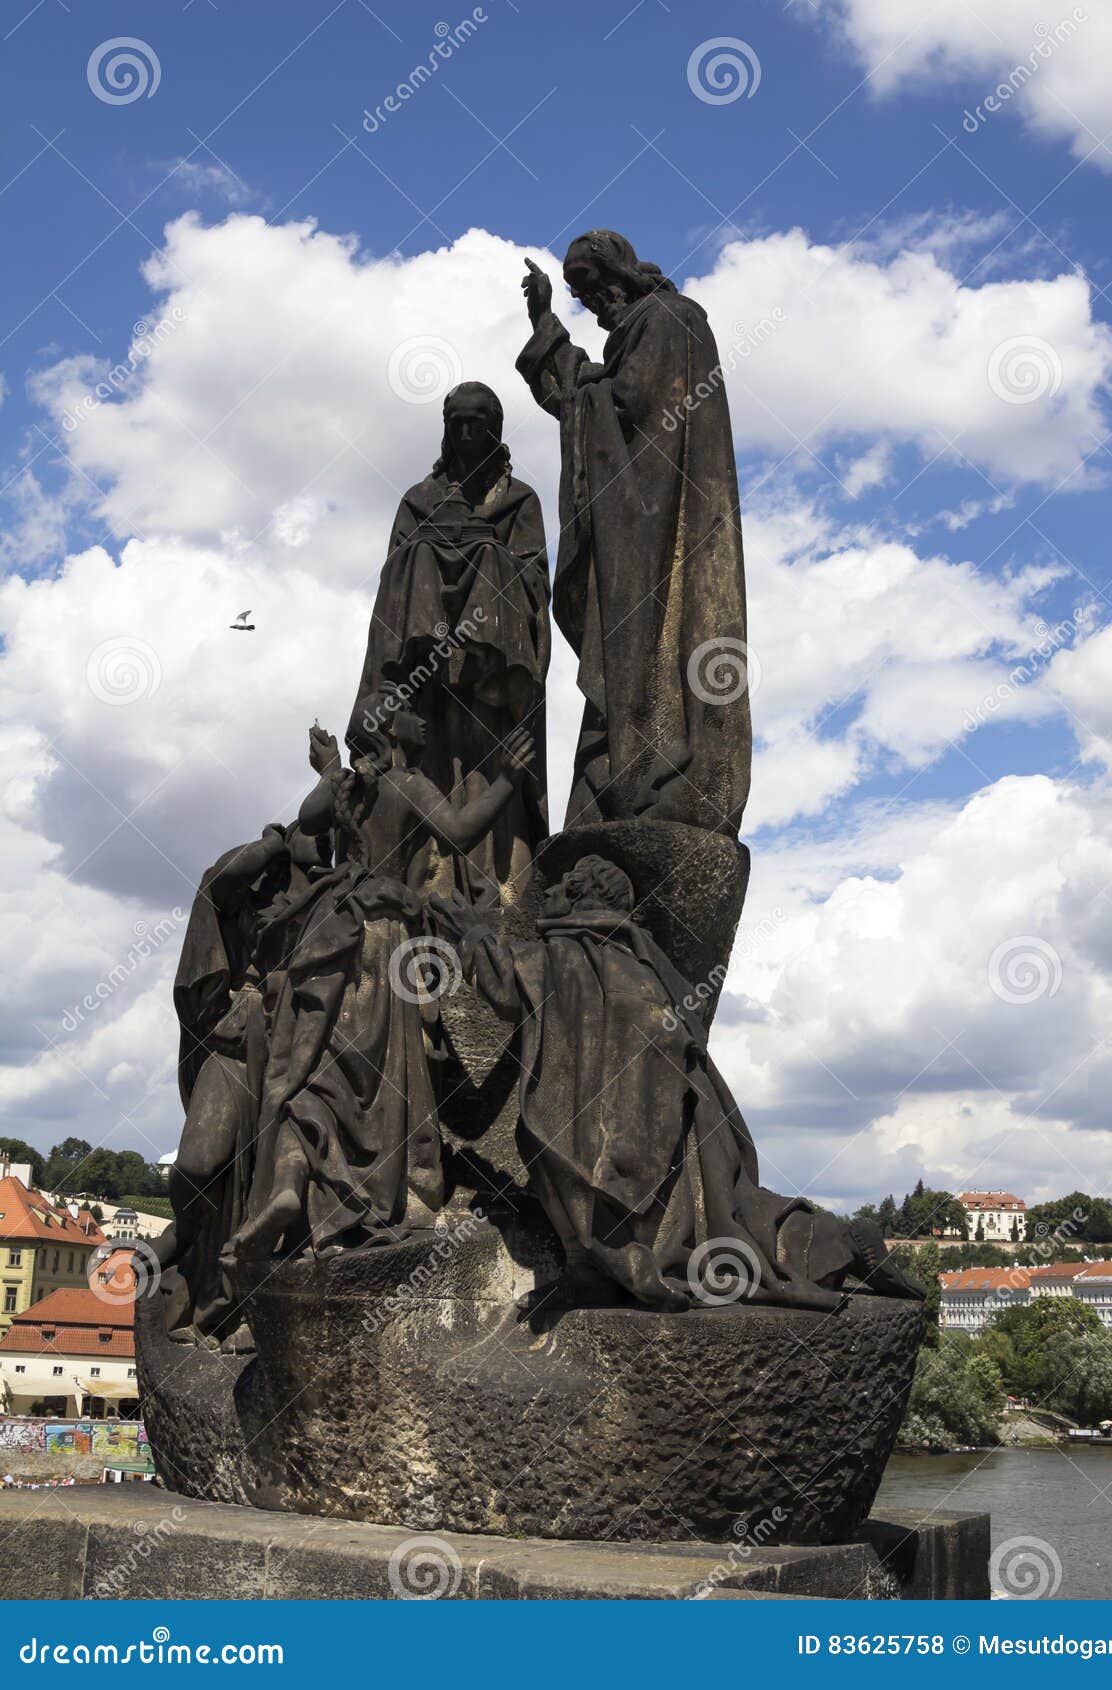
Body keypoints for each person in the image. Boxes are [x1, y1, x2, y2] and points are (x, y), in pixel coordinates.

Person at [434, 856, 921, 1312]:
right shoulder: (628, 958)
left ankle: (835, 1242)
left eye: (564, 886)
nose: (553, 894)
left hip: (655, 1118)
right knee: (720, 1219)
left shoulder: (574, 954)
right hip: (668, 1116)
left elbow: (506, 985)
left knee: (708, 1219)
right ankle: (594, 1272)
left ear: (581, 897)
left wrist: (471, 935)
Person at [226, 700, 536, 1261]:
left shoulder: (350, 785)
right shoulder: (408, 784)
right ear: (391, 726)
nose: (425, 720)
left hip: (331, 933)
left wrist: (327, 769)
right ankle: (388, 1195)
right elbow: (461, 830)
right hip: (385, 937)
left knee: (312, 1070)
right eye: (415, 714)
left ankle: (291, 1187)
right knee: (390, 1070)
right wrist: (508, 781)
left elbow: (312, 813)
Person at [517, 232, 751, 836]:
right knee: (629, 649)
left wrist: (560, 348)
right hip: (638, 517)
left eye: (593, 287)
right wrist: (546, 327)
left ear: (619, 274)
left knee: (655, 643)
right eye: (579, 295)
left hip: (658, 518)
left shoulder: (671, 319)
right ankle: (625, 770)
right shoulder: (645, 328)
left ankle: (657, 772)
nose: (592, 303)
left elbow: (627, 407)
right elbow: (597, 402)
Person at [350, 381, 550, 905]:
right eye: (456, 420)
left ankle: (482, 656)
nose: (465, 430)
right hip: (425, 674)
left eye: (476, 421)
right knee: (414, 557)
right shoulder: (417, 501)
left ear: (494, 429)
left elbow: (536, 583)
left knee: (492, 558)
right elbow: (390, 575)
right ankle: (428, 883)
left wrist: (485, 548)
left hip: (491, 671)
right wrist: (431, 553)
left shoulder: (520, 501)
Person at [161, 811, 333, 1345]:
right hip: (234, 1043)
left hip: (293, 1049)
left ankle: (232, 1304)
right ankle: (188, 1243)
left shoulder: (330, 898)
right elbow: (219, 883)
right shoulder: (259, 884)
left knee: (272, 1183)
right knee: (196, 1165)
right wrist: (270, 843)